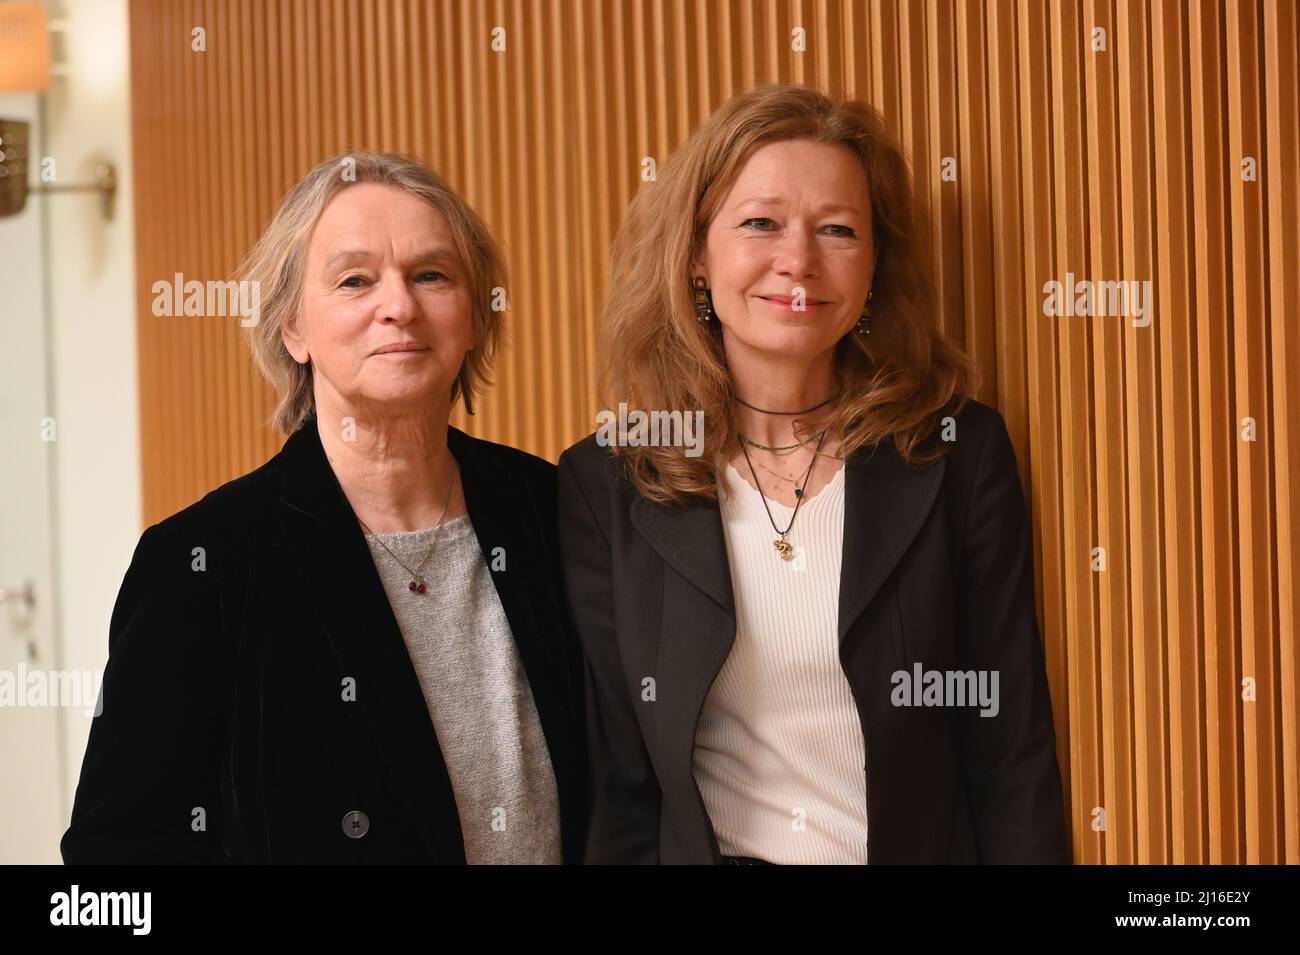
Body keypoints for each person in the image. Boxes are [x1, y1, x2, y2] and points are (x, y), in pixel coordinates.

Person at [559, 85, 1068, 864]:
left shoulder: (958, 455)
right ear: (696, 256)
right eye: (760, 223)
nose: (797, 261)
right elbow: (621, 783)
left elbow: (1010, 753)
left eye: (838, 230)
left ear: (873, 267)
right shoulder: (608, 481)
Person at [62, 151, 585, 864]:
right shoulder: (205, 563)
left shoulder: (555, 512)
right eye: (354, 280)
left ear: (473, 317)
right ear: (293, 328)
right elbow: (116, 852)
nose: (398, 304)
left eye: (431, 274)